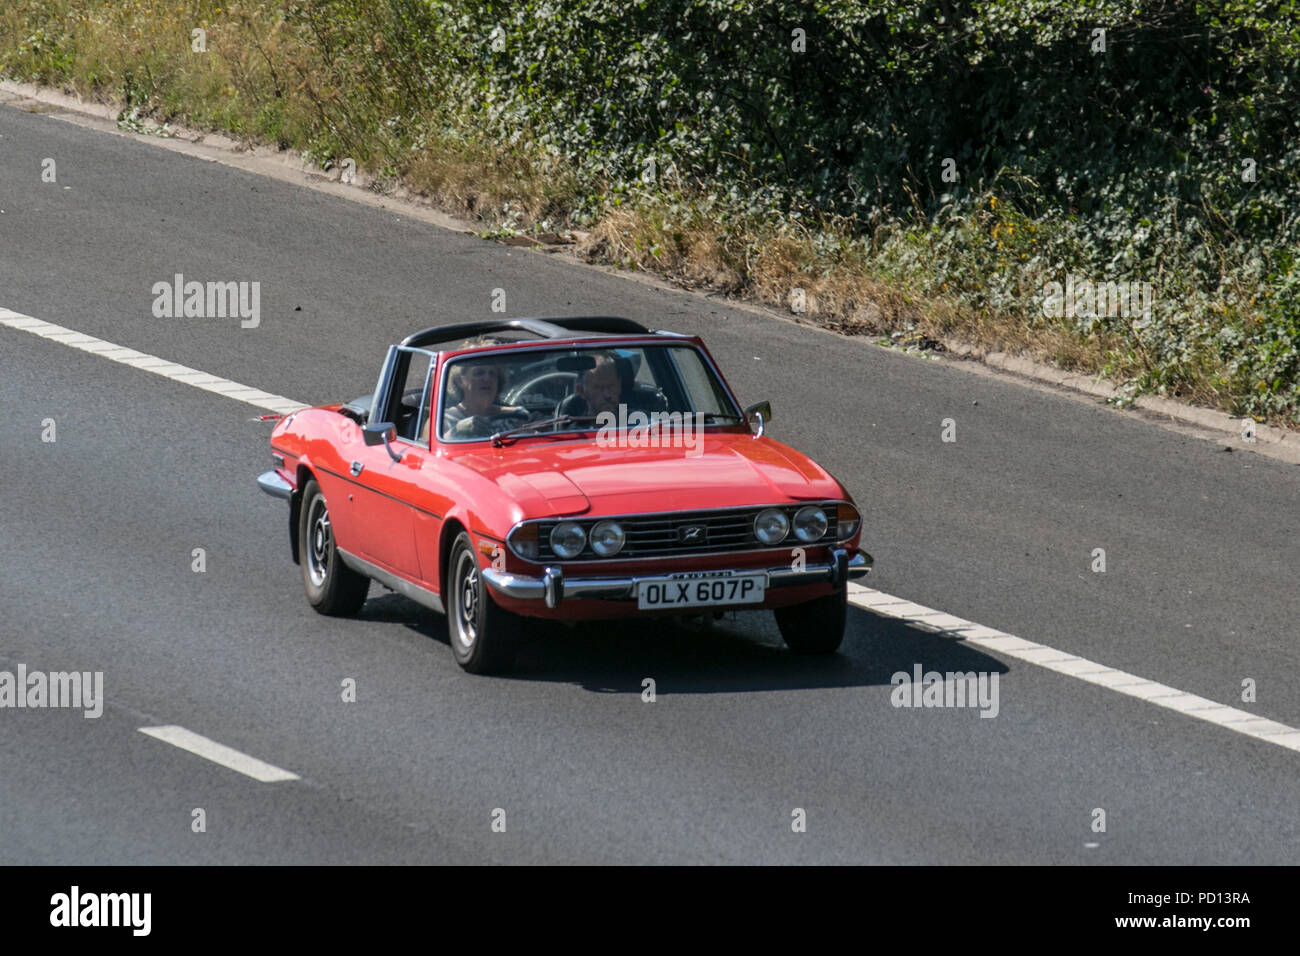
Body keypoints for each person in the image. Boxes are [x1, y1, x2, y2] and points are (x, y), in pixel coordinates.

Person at [422, 361, 525, 440]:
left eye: (492, 374)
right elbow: (429, 457)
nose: (487, 378)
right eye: (479, 373)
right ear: (460, 381)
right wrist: (457, 431)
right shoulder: (441, 421)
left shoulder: (515, 416)